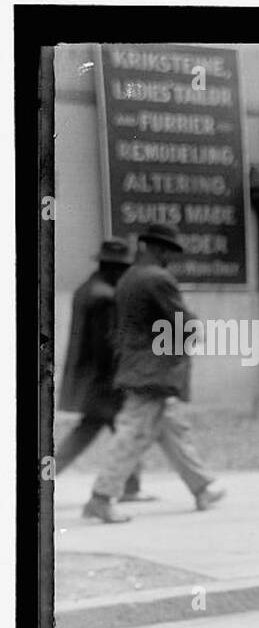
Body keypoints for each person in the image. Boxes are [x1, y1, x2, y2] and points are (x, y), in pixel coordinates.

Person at [83, 223, 226, 524]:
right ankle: (101, 497)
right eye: (168, 251)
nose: (169, 257)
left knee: (173, 429)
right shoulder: (157, 279)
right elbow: (181, 320)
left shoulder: (129, 277)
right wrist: (196, 330)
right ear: (158, 249)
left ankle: (201, 488)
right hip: (154, 370)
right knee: (134, 432)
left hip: (139, 366)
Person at [55, 238, 150, 500]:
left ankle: (131, 486)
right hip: (105, 381)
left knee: (111, 430)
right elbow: (108, 344)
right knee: (122, 431)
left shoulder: (87, 289)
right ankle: (129, 487)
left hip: (90, 379)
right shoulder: (105, 297)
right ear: (113, 267)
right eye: (124, 268)